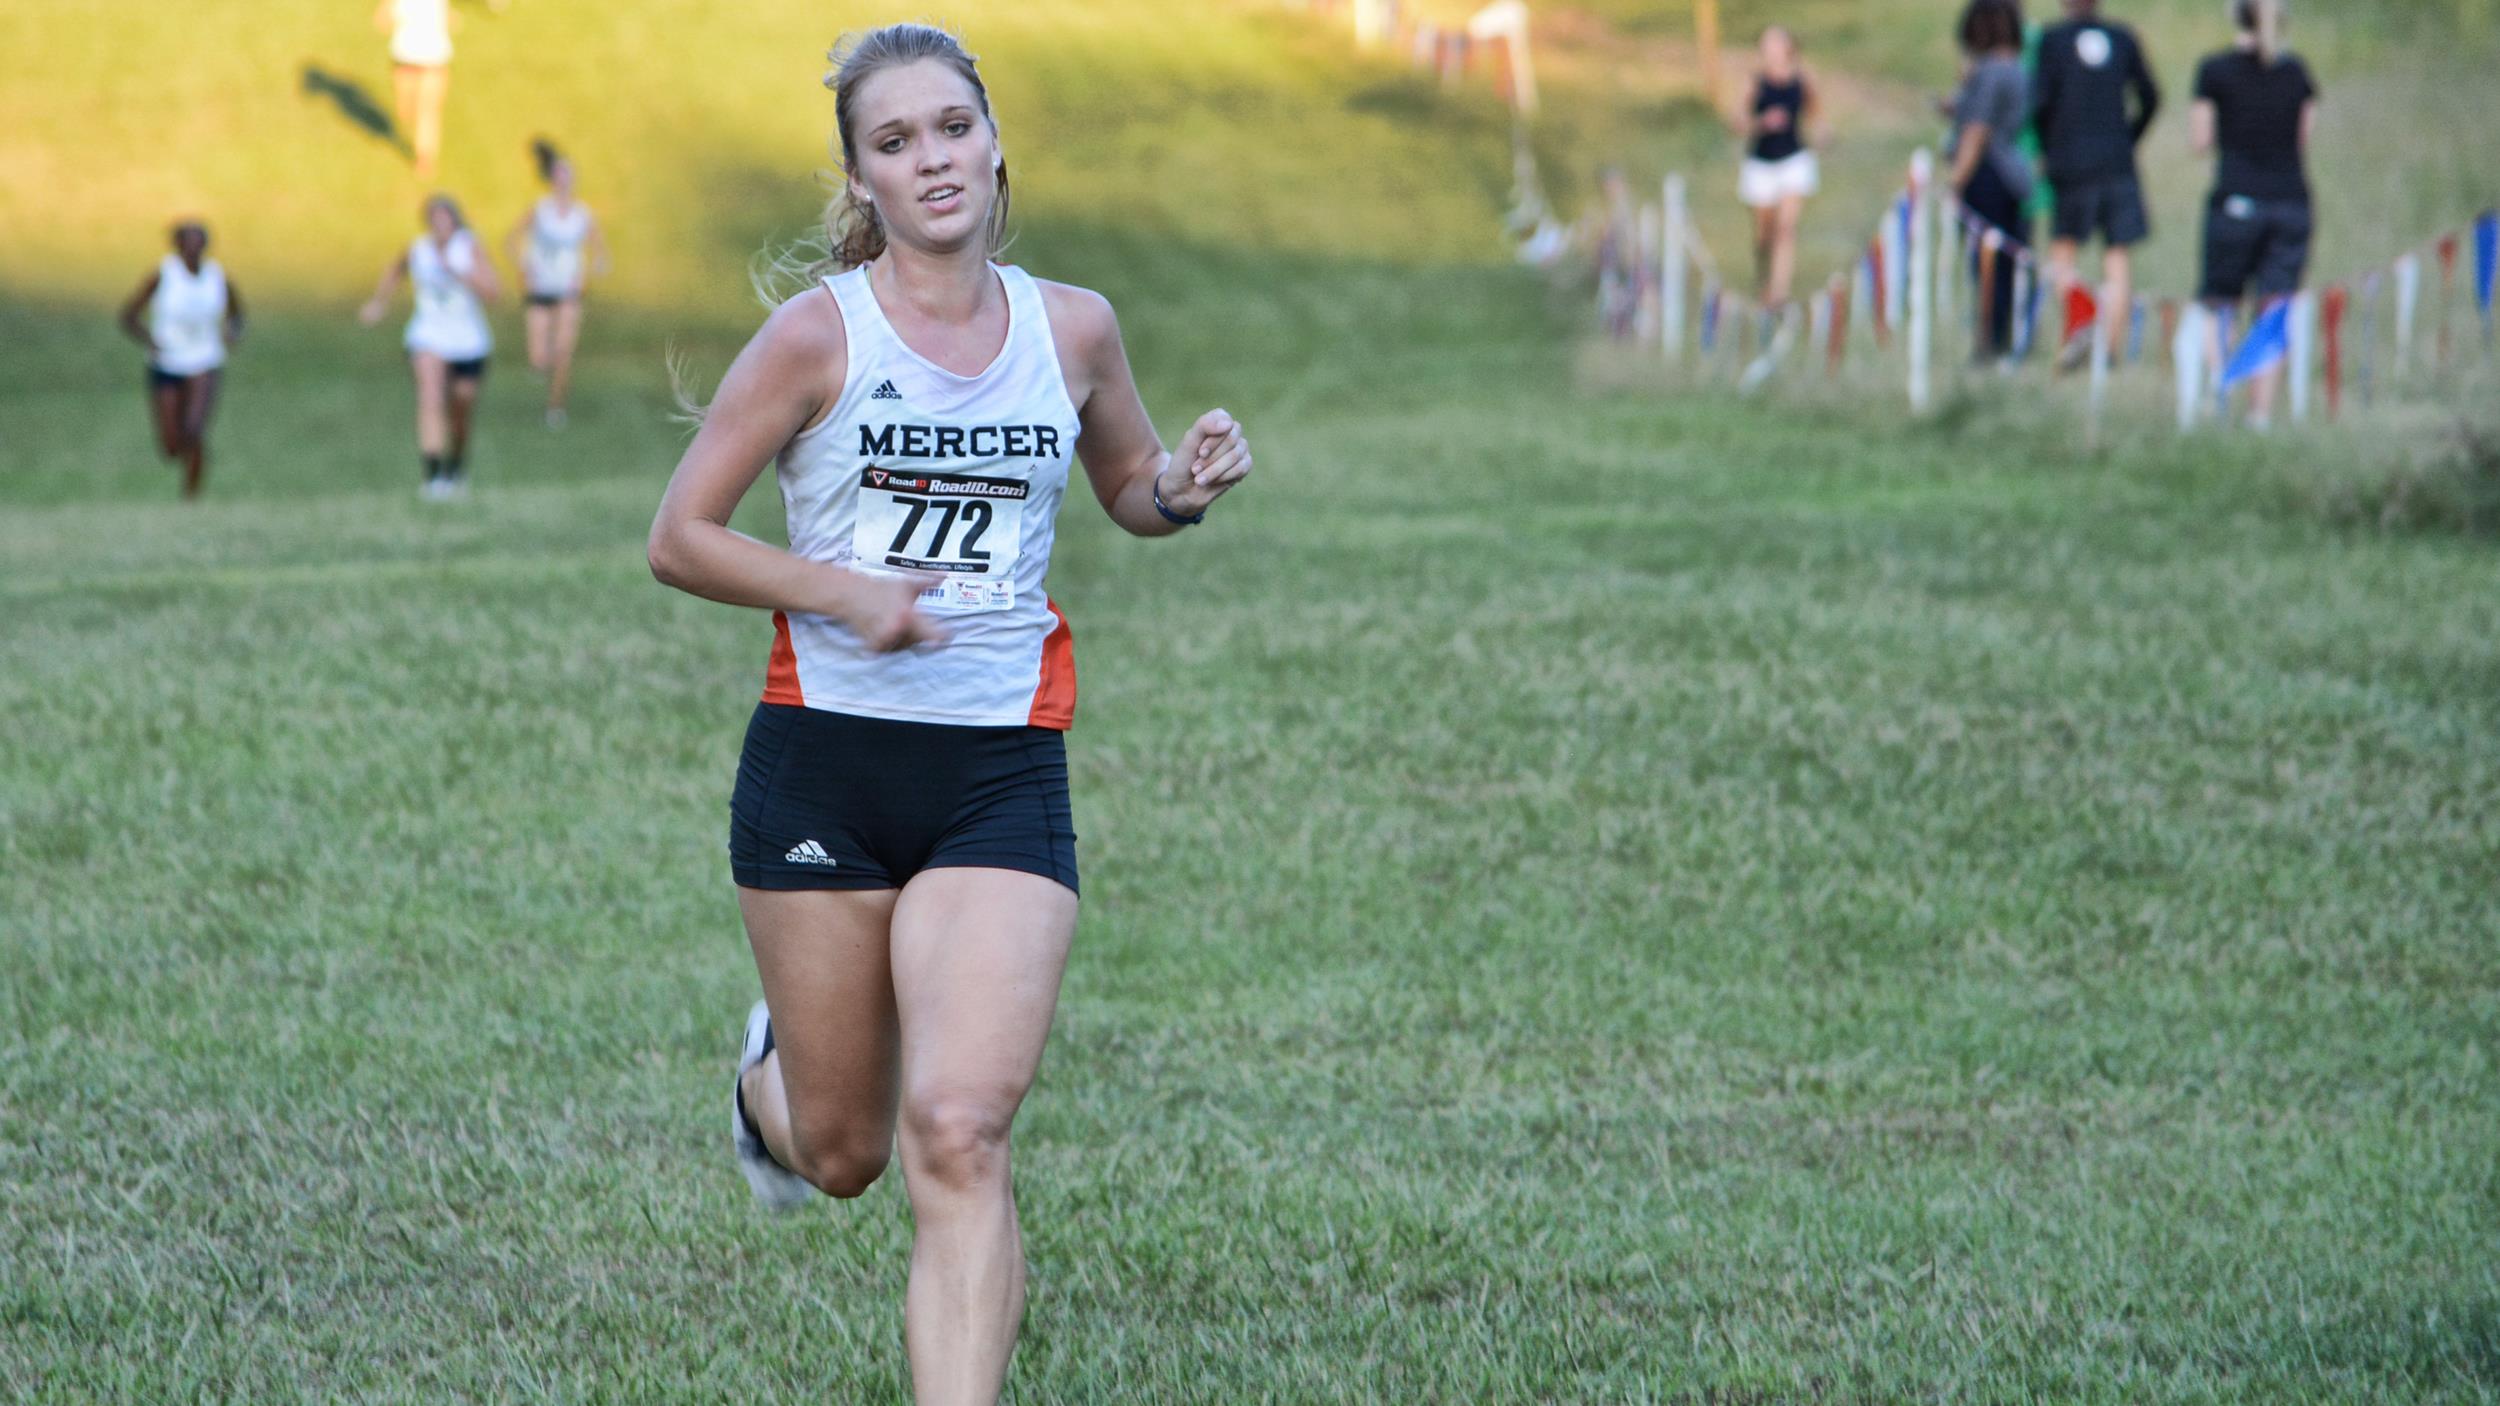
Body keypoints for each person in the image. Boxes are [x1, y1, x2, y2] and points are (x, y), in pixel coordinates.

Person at [643, 24, 1251, 1405]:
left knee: (962, 1128)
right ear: (860, 177)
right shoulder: (818, 335)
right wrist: (846, 593)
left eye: (952, 128)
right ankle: (764, 1084)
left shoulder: (1072, 326)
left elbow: (1129, 486)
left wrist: (1182, 487)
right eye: (895, 141)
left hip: (1000, 773)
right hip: (823, 770)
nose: (932, 159)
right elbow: (680, 537)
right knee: (845, 1151)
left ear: (994, 141)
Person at [2192, 0, 2318, 428]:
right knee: (2275, 307)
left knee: (2220, 302)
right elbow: (2302, 139)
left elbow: (2201, 140)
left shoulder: (2214, 70)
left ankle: (2221, 394)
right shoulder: (2296, 72)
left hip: (2235, 203)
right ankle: (2259, 414)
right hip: (2291, 203)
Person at [2031, 0, 2159, 368]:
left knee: (2064, 249)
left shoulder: (2053, 40)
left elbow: (2039, 102)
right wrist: (2128, 138)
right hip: (2116, 161)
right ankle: (2109, 349)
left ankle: (2078, 330)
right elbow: (2150, 97)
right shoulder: (2122, 37)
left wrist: (2049, 146)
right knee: (2117, 256)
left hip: (2070, 161)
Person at [360, 195, 500, 499]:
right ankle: (433, 473)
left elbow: (493, 293)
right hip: (428, 335)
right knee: (430, 398)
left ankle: (456, 466)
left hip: (468, 340)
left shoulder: (469, 247)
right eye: (434, 220)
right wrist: (379, 303)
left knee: (461, 406)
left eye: (445, 219)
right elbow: (396, 269)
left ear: (455, 221)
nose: (440, 226)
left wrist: (459, 272)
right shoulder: (419, 249)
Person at [117, 222, 245, 499]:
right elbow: (128, 315)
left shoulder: (216, 277)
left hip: (204, 360)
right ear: (177, 245)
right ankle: (186, 469)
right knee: (172, 445)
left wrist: (232, 334)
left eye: (199, 242)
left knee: (194, 430)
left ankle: (191, 497)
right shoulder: (164, 275)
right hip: (167, 360)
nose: (194, 249)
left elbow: (237, 313)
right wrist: (149, 339)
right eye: (188, 243)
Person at [1948, 0, 2036, 362]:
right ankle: (2010, 336)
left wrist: (1954, 181)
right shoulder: (2016, 67)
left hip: (1988, 174)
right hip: (2013, 174)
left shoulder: (1989, 71)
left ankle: (1990, 342)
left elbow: (1977, 130)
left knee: (1986, 265)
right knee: (2008, 265)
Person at [503, 138, 610, 428]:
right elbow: (512, 240)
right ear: (552, 179)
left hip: (568, 289)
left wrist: (596, 266)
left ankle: (555, 407)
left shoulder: (581, 214)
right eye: (560, 174)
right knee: (539, 357)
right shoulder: (540, 210)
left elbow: (598, 248)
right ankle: (541, 367)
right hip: (540, 287)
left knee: (564, 352)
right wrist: (525, 265)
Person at [1736, 25, 1822, 311]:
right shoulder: (1754, 83)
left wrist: (1822, 131)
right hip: (1760, 163)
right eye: (1766, 45)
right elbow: (1738, 122)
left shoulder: (1803, 80)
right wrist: (1762, 122)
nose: (1771, 51)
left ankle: (1778, 294)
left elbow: (1815, 112)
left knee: (1786, 229)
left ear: (1788, 48)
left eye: (1776, 44)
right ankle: (1765, 277)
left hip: (1794, 159)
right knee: (1765, 232)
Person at [376, 0, 454, 178]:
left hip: (435, 58)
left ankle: (424, 158)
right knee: (405, 110)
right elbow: (383, 19)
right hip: (405, 57)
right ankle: (419, 144)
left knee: (428, 109)